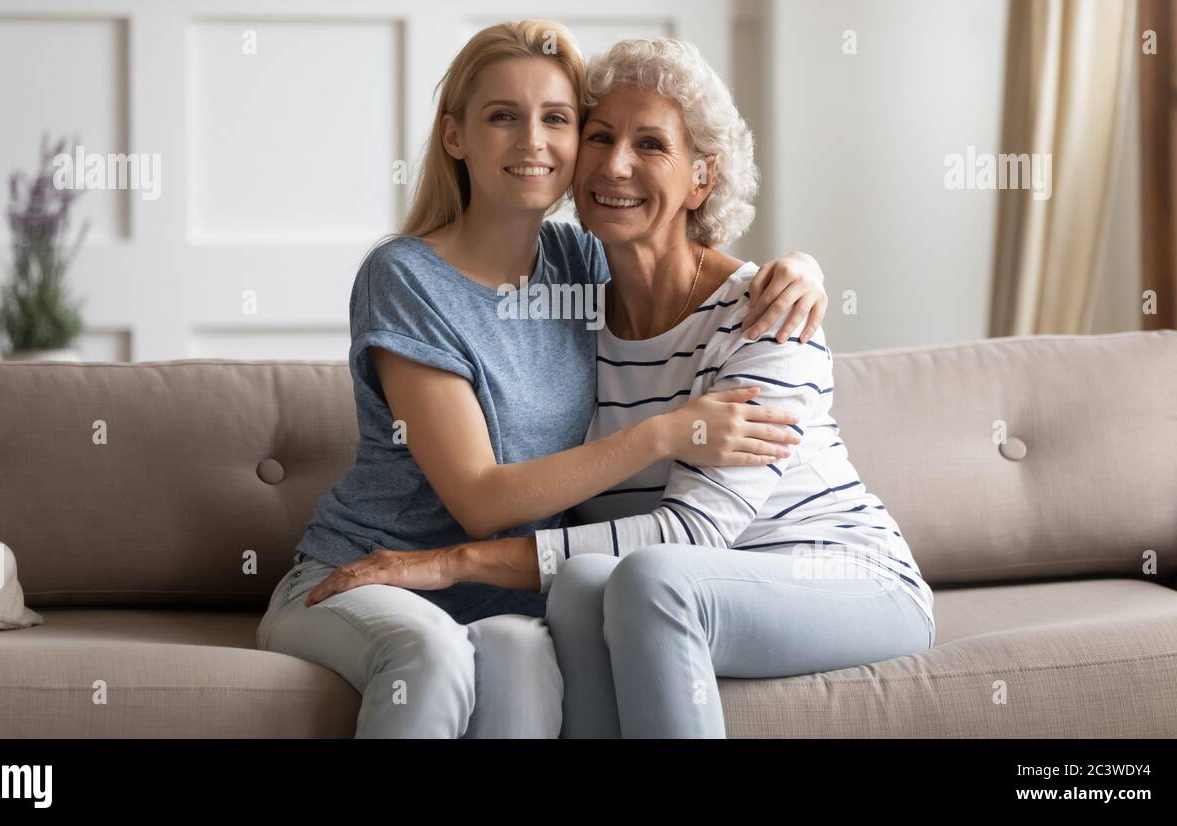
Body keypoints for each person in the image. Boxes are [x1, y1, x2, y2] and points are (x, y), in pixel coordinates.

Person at [313, 36, 934, 739]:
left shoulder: (764, 316)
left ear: (702, 179)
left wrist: (456, 560)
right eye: (600, 137)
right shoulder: (577, 305)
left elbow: (693, 535)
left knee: (649, 578)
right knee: (584, 584)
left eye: (650, 145)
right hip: (677, 583)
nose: (615, 165)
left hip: (839, 575)